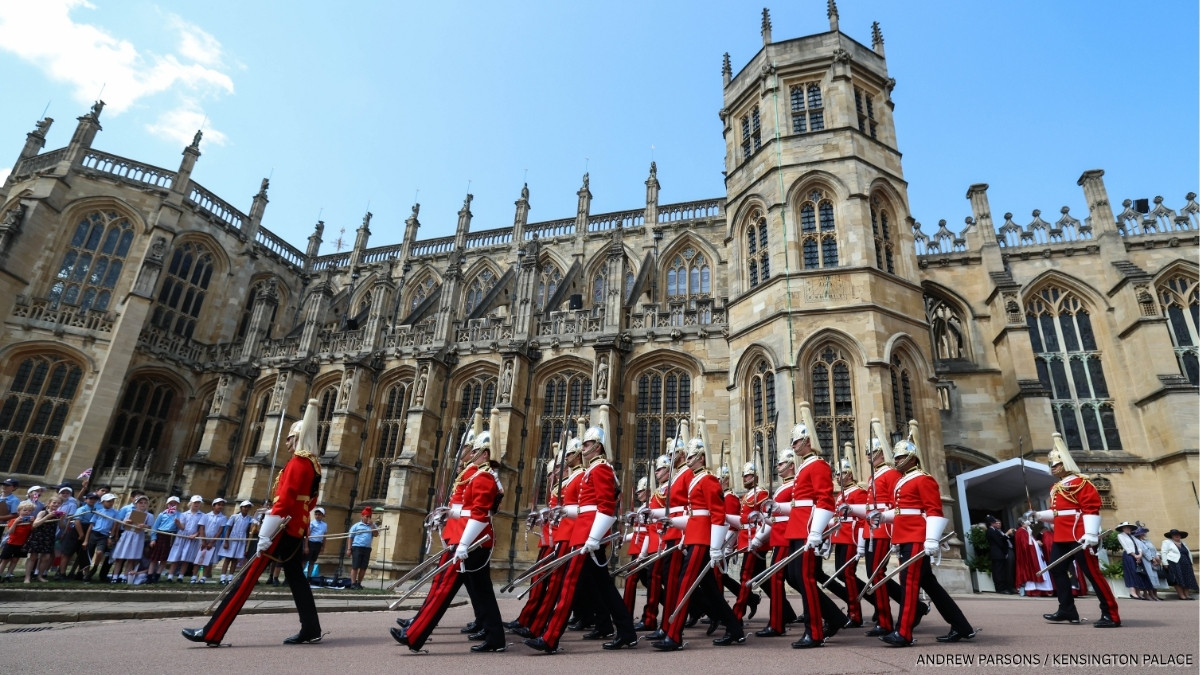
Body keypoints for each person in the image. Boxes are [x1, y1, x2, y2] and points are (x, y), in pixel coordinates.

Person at [182, 398, 324, 646]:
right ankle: (311, 628)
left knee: (246, 579)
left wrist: (264, 535)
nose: (287, 443)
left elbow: (285, 501)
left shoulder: (298, 463)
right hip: (295, 528)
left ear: (298, 438)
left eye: (290, 438)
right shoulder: (313, 465)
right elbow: (308, 503)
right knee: (297, 579)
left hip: (280, 529)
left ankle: (212, 631)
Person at [524, 425, 638, 653]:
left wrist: (594, 538)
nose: (583, 448)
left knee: (569, 585)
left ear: (597, 446)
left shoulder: (601, 469)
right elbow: (586, 508)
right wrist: (565, 512)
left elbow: (606, 509)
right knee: (605, 587)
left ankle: (551, 637)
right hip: (584, 533)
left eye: (586, 444)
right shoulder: (592, 470)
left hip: (588, 536)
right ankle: (627, 632)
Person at [392, 430, 506, 653]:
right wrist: (447, 514)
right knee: (480, 593)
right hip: (466, 538)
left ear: (484, 454)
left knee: (446, 588)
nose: (470, 454)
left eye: (474, 451)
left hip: (472, 542)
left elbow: (480, 514)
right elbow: (466, 510)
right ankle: (495, 638)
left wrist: (463, 544)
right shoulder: (476, 475)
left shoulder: (483, 476)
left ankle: (415, 635)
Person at [876, 421, 976, 647]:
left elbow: (934, 510)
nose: (896, 461)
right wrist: (883, 517)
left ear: (912, 458)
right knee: (929, 584)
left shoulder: (923, 478)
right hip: (905, 536)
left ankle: (904, 632)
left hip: (916, 538)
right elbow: (903, 511)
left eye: (900, 458)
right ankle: (962, 626)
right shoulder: (902, 481)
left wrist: (930, 539)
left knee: (909, 584)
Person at [649, 432, 742, 651]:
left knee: (684, 583)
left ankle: (675, 635)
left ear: (700, 457)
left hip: (702, 540)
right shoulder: (695, 480)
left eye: (690, 457)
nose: (686, 461)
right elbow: (693, 515)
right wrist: (677, 529)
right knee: (709, 589)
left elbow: (717, 514)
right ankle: (734, 628)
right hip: (693, 536)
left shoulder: (708, 479)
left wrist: (717, 546)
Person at [1033, 432, 1121, 628]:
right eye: (1051, 465)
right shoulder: (1056, 487)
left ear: (1065, 463)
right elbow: (1058, 513)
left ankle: (1111, 613)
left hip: (1080, 534)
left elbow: (1090, 508)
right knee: (1057, 570)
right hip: (1062, 536)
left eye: (1055, 464)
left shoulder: (1082, 482)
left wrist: (1090, 534)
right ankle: (1067, 609)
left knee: (1092, 573)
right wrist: (1037, 515)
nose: (1052, 468)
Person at [782, 408, 847, 649]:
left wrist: (816, 532)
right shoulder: (804, 467)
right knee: (794, 577)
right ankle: (835, 617)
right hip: (798, 527)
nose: (793, 445)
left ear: (808, 441)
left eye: (796, 441)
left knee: (806, 579)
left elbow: (825, 501)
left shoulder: (817, 465)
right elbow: (800, 503)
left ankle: (815, 631)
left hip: (808, 527)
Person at [111, 495, 151, 583]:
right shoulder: (130, 513)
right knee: (120, 557)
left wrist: (144, 526)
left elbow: (150, 527)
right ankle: (115, 576)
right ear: (136, 504)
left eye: (145, 503)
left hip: (137, 536)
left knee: (131, 558)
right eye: (141, 503)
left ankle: (126, 576)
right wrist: (126, 522)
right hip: (127, 535)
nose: (143, 505)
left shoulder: (149, 515)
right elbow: (124, 525)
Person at [25, 494, 64, 582]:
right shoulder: (43, 512)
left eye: (58, 503)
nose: (56, 505)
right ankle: (27, 577)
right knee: (33, 557)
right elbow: (35, 524)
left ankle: (40, 576)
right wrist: (47, 517)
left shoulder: (57, 514)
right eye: (54, 503)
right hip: (38, 536)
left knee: (46, 558)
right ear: (49, 503)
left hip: (49, 537)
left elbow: (62, 527)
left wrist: (62, 519)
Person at [166, 496, 205, 582]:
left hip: (192, 538)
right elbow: (182, 527)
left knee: (186, 558)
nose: (196, 504)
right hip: (182, 536)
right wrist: (178, 523)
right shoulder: (184, 514)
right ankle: (170, 576)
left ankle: (180, 576)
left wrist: (195, 534)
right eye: (195, 502)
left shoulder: (202, 515)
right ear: (191, 503)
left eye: (198, 503)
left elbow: (201, 528)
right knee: (176, 557)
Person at [1013, 517, 1053, 597]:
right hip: (1029, 557)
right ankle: (1034, 591)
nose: (1028, 523)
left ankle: (1042, 590)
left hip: (1035, 555)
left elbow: (1030, 541)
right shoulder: (1021, 531)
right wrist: (1033, 541)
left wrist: (1036, 542)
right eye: (1025, 521)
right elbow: (1025, 545)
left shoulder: (1026, 531)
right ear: (1022, 523)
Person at [84, 492, 118, 582]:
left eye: (112, 501)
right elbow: (91, 526)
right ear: (102, 502)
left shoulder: (115, 513)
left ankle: (95, 567)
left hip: (104, 535)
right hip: (94, 533)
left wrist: (111, 537)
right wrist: (86, 540)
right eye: (108, 501)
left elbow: (115, 525)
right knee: (89, 554)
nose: (111, 503)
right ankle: (87, 574)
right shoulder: (98, 512)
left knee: (99, 552)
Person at [219, 500, 255, 584]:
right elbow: (229, 529)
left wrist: (245, 543)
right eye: (244, 507)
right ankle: (222, 578)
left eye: (248, 507)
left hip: (241, 540)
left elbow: (247, 530)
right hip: (232, 539)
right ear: (241, 508)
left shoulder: (249, 519)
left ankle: (230, 578)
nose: (246, 509)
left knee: (235, 560)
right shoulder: (234, 517)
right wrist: (226, 541)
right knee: (227, 559)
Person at [147, 496, 181, 583]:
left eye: (175, 503)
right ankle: (149, 576)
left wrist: (178, 523)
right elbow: (155, 527)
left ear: (178, 505)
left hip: (170, 536)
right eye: (171, 503)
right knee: (154, 558)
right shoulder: (162, 514)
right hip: (160, 535)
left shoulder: (179, 515)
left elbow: (179, 529)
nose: (172, 505)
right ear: (167, 504)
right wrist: (153, 539)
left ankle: (157, 575)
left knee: (164, 558)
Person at [0, 500, 35, 581]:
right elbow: (10, 532)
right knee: (5, 560)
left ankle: (8, 575)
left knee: (15, 560)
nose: (27, 512)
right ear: (19, 511)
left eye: (30, 511)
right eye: (25, 510)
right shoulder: (13, 520)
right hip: (11, 543)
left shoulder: (29, 521)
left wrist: (32, 523)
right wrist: (15, 522)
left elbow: (32, 530)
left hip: (21, 544)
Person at [346, 507, 378, 590]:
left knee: (363, 567)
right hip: (357, 547)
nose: (368, 518)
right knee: (355, 566)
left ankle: (359, 583)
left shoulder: (373, 526)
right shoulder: (356, 526)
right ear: (362, 516)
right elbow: (350, 537)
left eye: (369, 516)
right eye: (367, 516)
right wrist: (349, 548)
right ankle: (353, 583)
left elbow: (375, 534)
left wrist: (372, 526)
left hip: (367, 548)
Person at [1160, 529, 1195, 600]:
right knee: (1177, 579)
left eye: (1178, 534)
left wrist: (1190, 562)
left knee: (1187, 578)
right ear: (1171, 536)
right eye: (1174, 534)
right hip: (1174, 563)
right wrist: (1165, 563)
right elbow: (1163, 552)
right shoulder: (1167, 542)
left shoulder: (1183, 543)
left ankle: (1187, 595)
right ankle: (1181, 595)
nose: (1177, 535)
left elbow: (1188, 553)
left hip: (1186, 563)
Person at [1114, 522, 1146, 599]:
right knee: (1131, 572)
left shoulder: (1133, 537)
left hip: (1137, 555)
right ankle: (1132, 591)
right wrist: (1135, 555)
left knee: (1138, 573)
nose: (1128, 529)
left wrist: (1140, 555)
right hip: (1129, 555)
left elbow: (1139, 546)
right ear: (1122, 528)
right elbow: (1126, 547)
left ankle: (1138, 592)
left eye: (1129, 527)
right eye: (1126, 527)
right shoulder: (1120, 536)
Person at [985, 515, 1016, 594]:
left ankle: (1003, 587)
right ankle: (1000, 588)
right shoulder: (990, 531)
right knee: (998, 572)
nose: (997, 524)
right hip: (996, 554)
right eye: (995, 522)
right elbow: (1000, 541)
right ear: (991, 523)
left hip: (999, 554)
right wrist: (1006, 534)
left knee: (1001, 571)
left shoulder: (994, 530)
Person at [1134, 527, 1162, 600]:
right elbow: (1144, 551)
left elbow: (1154, 549)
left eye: (1144, 532)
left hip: (1154, 561)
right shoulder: (1138, 541)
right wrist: (1152, 559)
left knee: (1155, 577)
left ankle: (1155, 594)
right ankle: (1149, 594)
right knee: (1149, 577)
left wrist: (1158, 556)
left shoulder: (1148, 541)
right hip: (1146, 561)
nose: (1144, 534)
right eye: (1142, 533)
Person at [304, 507, 327, 581]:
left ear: (323, 515)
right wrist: (306, 546)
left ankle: (309, 576)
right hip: (311, 543)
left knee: (312, 561)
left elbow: (324, 536)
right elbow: (307, 535)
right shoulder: (312, 523)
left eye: (319, 514)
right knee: (305, 560)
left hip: (318, 544)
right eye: (316, 514)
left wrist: (323, 546)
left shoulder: (324, 525)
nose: (317, 516)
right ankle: (300, 576)